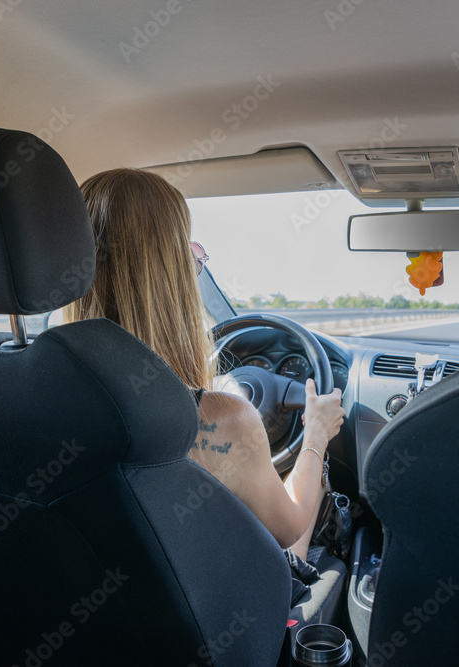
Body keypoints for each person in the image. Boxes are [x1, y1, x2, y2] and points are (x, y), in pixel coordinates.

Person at [63, 168, 345, 563]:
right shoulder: (221, 417)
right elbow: (288, 527)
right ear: (173, 274)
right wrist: (316, 434)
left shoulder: (24, 392)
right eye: (191, 255)